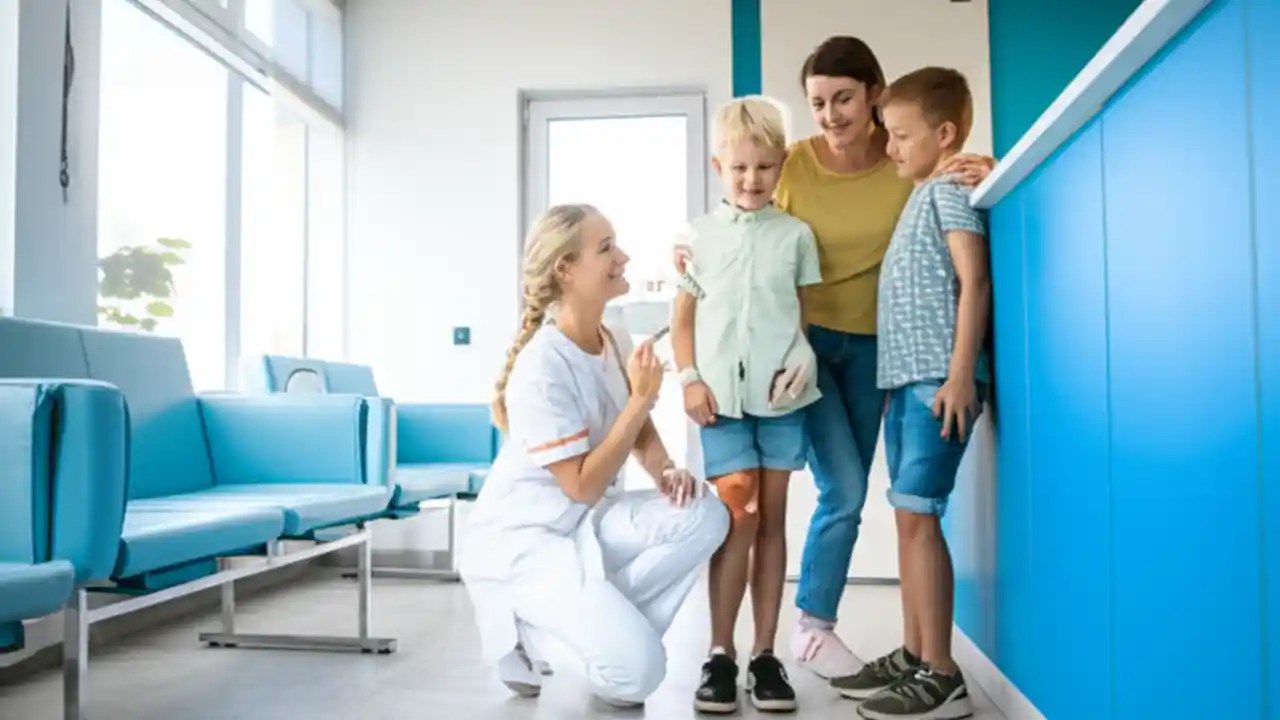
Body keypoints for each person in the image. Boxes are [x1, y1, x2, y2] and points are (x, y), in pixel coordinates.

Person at [772, 36, 992, 685]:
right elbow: (742, 208)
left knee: (906, 508)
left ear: (872, 94)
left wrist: (989, 166)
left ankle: (928, 661)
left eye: (843, 98)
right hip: (820, 351)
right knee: (853, 492)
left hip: (890, 363)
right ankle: (837, 633)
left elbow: (965, 254)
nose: (830, 113)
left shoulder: (918, 173)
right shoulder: (792, 166)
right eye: (817, 102)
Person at [461, 204, 731, 708]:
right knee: (636, 680)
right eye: (606, 248)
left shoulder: (613, 336)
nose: (622, 256)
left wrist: (667, 469)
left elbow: (640, 432)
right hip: (528, 542)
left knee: (705, 513)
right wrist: (641, 399)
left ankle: (608, 626)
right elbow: (582, 483)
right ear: (566, 269)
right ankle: (528, 627)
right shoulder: (540, 366)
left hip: (584, 522)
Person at [672, 97, 822, 715]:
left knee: (774, 522)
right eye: (739, 168)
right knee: (738, 520)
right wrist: (688, 379)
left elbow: (807, 314)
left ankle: (765, 654)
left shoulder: (797, 236)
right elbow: (682, 322)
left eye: (764, 167)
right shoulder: (696, 239)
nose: (752, 179)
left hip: (783, 402)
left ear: (781, 164)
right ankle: (719, 654)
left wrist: (807, 351)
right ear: (718, 166)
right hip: (722, 408)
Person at [853, 66, 990, 720]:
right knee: (908, 515)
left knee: (921, 513)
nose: (890, 148)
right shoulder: (923, 192)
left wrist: (961, 374)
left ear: (945, 134)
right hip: (908, 385)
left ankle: (942, 675)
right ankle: (914, 654)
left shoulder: (952, 192)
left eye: (902, 136)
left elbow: (976, 283)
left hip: (940, 382)